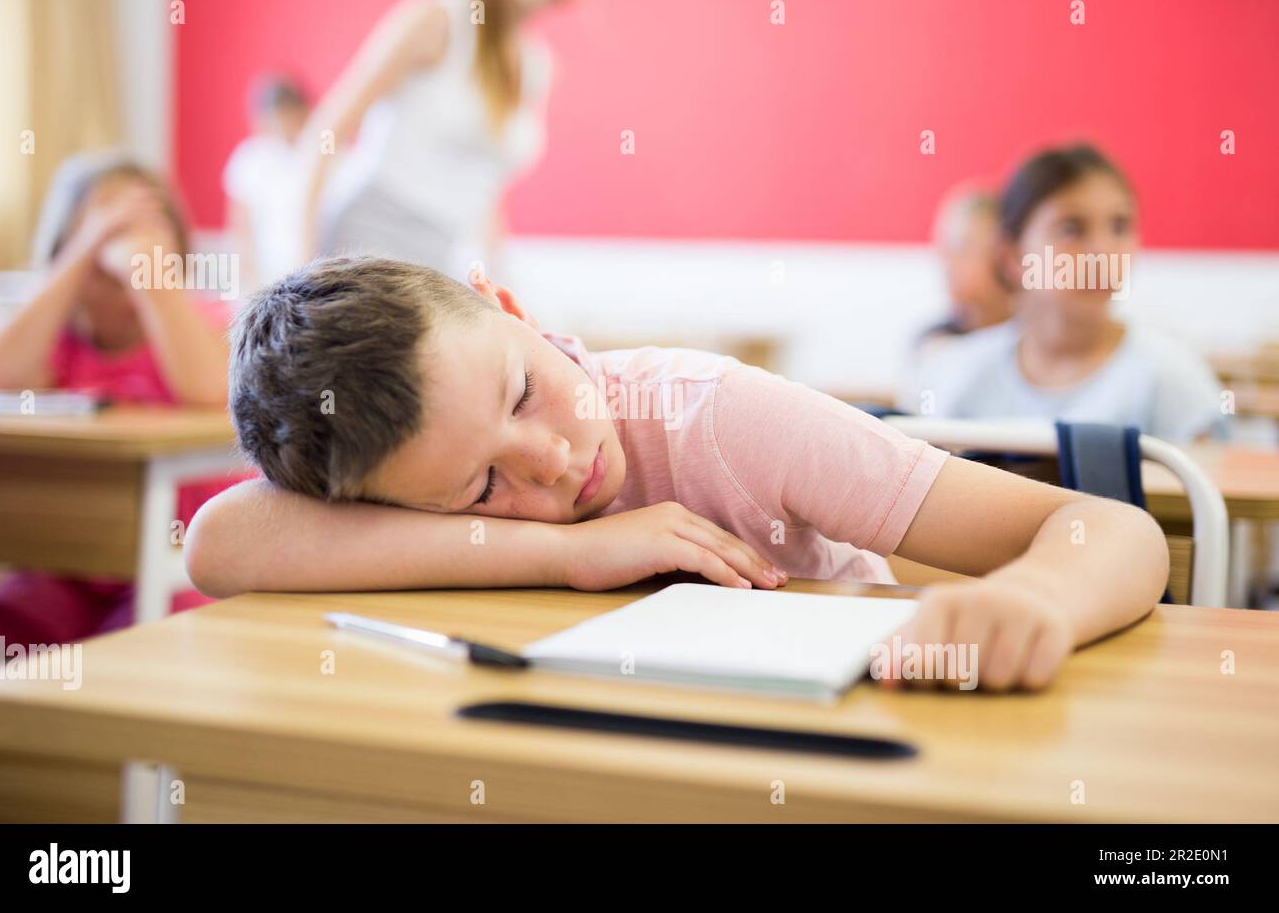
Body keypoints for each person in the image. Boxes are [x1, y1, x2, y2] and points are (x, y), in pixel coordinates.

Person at [184, 255, 1170, 692]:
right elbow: (219, 542)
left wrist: (1040, 598)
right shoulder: (444, 491)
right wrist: (570, 553)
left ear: (511, 306)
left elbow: (1110, 530)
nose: (557, 464)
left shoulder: (713, 418)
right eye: (485, 488)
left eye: (524, 393)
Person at [0, 152, 234, 645]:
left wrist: (150, 278)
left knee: (163, 632)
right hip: (76, 562)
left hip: (175, 561)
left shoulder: (201, 322)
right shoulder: (56, 339)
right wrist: (83, 251)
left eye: (140, 224)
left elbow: (209, 390)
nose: (121, 239)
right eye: (104, 222)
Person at [901, 144, 1225, 441]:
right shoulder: (957, 375)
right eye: (1071, 228)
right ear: (1012, 256)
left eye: (1119, 226)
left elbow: (1209, 496)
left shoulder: (1171, 380)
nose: (1102, 252)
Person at [301, 0, 582, 276]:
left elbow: (483, 183)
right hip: (368, 236)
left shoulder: (534, 66)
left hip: (439, 255)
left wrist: (499, 282)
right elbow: (327, 132)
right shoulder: (437, 20)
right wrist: (302, 274)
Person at [223, 74, 311, 288]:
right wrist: (245, 273)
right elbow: (239, 225)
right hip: (264, 273)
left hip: (309, 268)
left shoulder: (324, 155)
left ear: (303, 111)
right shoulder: (251, 158)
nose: (281, 128)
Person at [917, 188, 1016, 354]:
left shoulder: (1032, 340)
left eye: (963, 249)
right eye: (946, 250)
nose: (949, 264)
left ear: (1004, 256)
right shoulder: (936, 343)